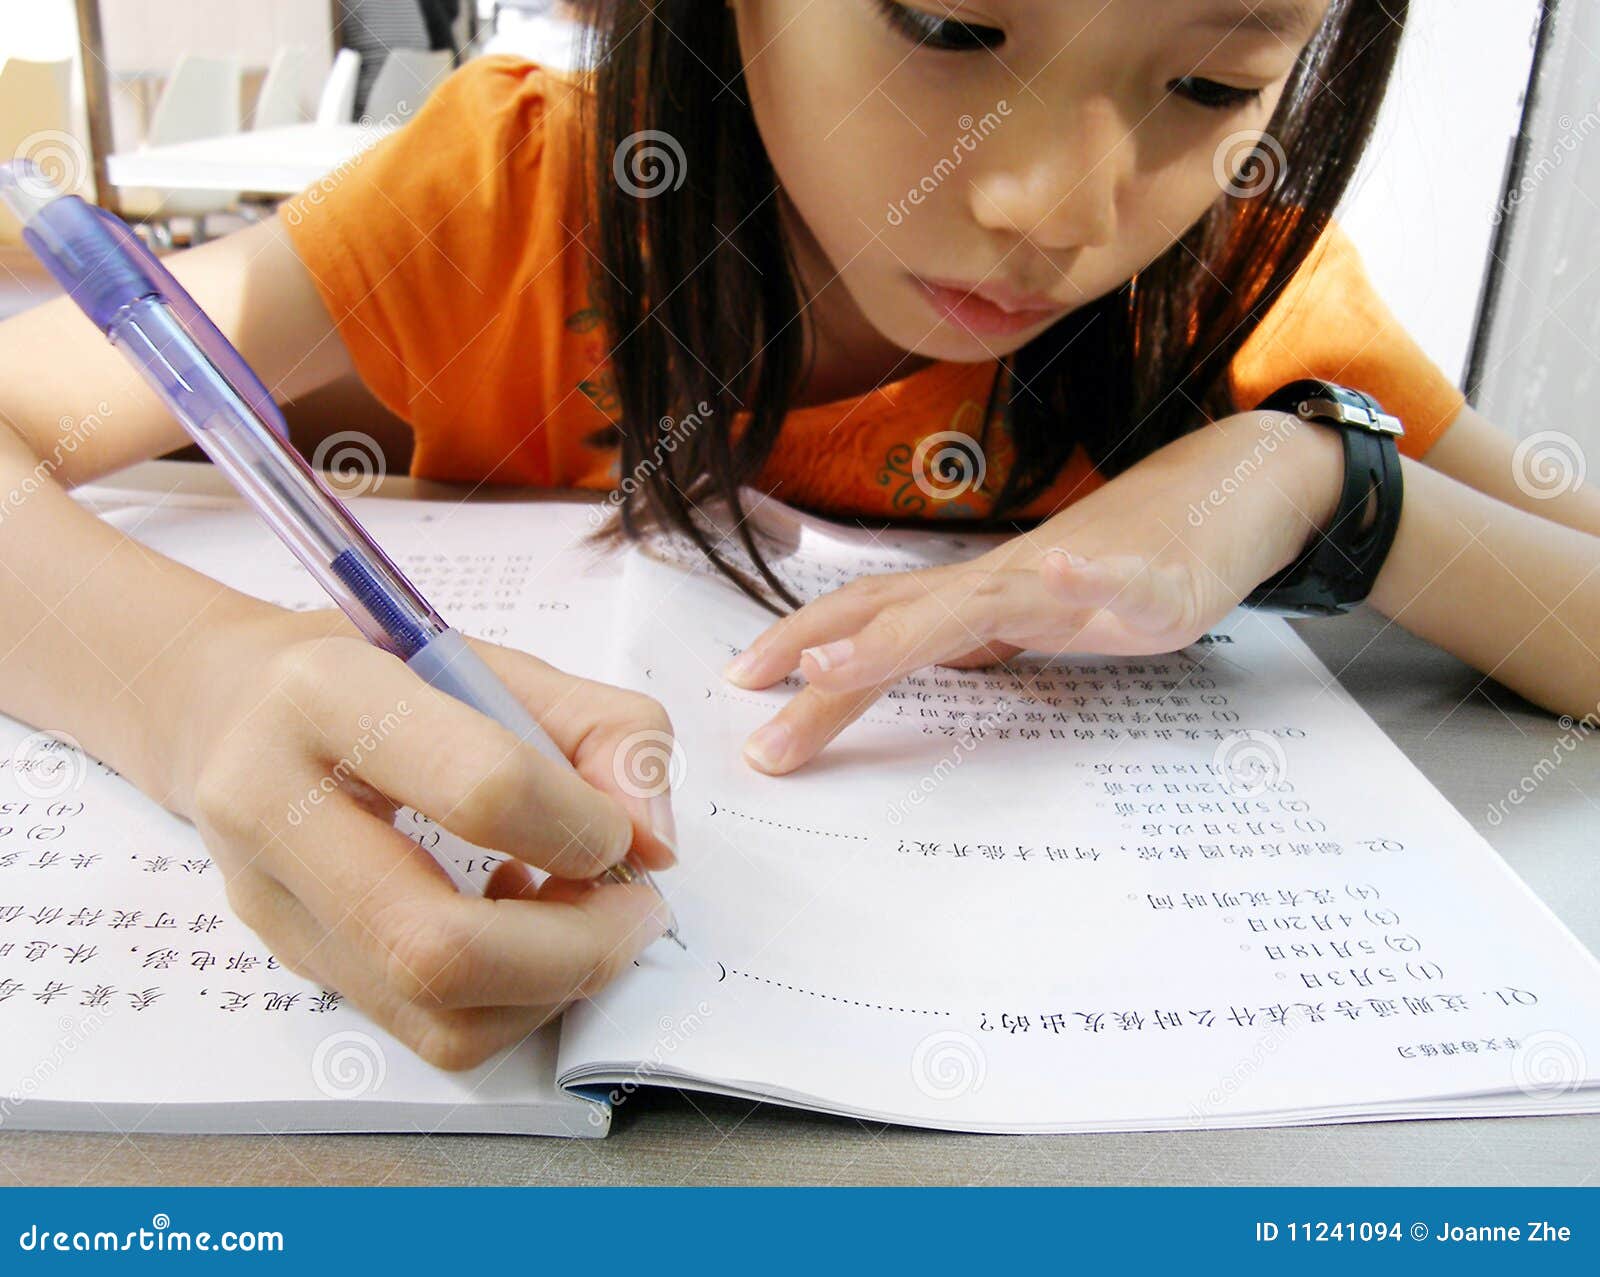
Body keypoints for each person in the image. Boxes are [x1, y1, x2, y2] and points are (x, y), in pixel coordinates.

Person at [2, 1, 1597, 1072]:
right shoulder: (509, 199)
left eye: (1214, 83)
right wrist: (190, 686)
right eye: (956, 25)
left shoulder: (1238, 302)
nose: (1050, 202)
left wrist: (1315, 482)